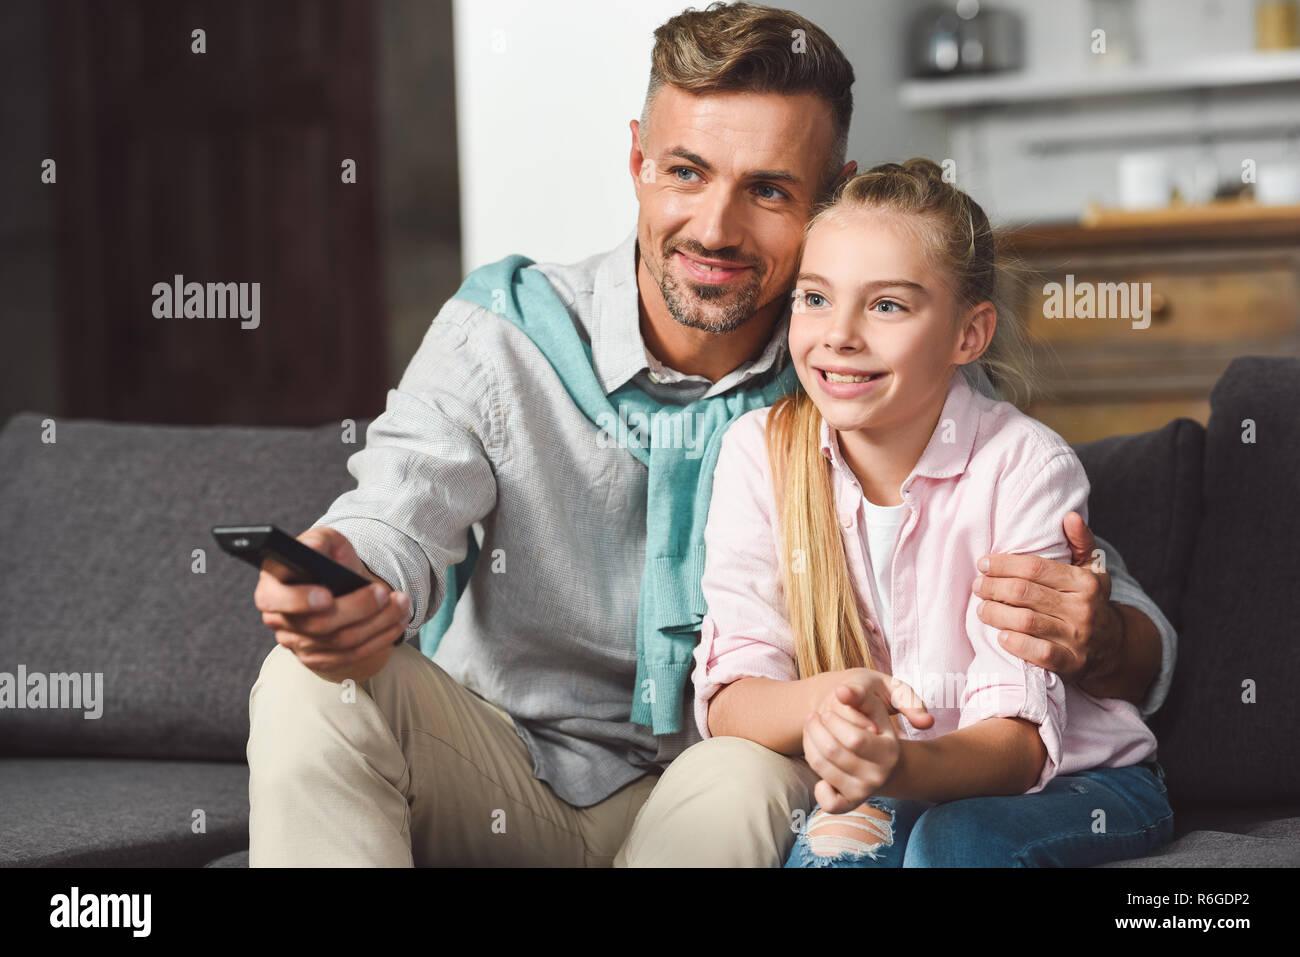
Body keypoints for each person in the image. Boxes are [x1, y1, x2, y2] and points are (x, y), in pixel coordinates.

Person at [247, 2, 1175, 867]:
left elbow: (1084, 602)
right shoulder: (505, 333)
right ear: (640, 160)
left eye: (769, 190)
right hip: (503, 769)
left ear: (830, 198)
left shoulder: (863, 368)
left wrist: (1095, 635)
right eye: (686, 171)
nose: (715, 228)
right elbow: (395, 510)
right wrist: (350, 573)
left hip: (734, 787)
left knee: (736, 772)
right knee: (303, 684)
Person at [682, 158, 1173, 868]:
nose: (839, 334)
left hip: (1078, 780)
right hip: (893, 777)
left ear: (968, 336)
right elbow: (730, 696)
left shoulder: (1025, 466)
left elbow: (1020, 741)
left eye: (887, 306)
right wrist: (830, 702)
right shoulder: (758, 453)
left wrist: (896, 767)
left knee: (953, 844)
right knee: (832, 852)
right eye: (815, 298)